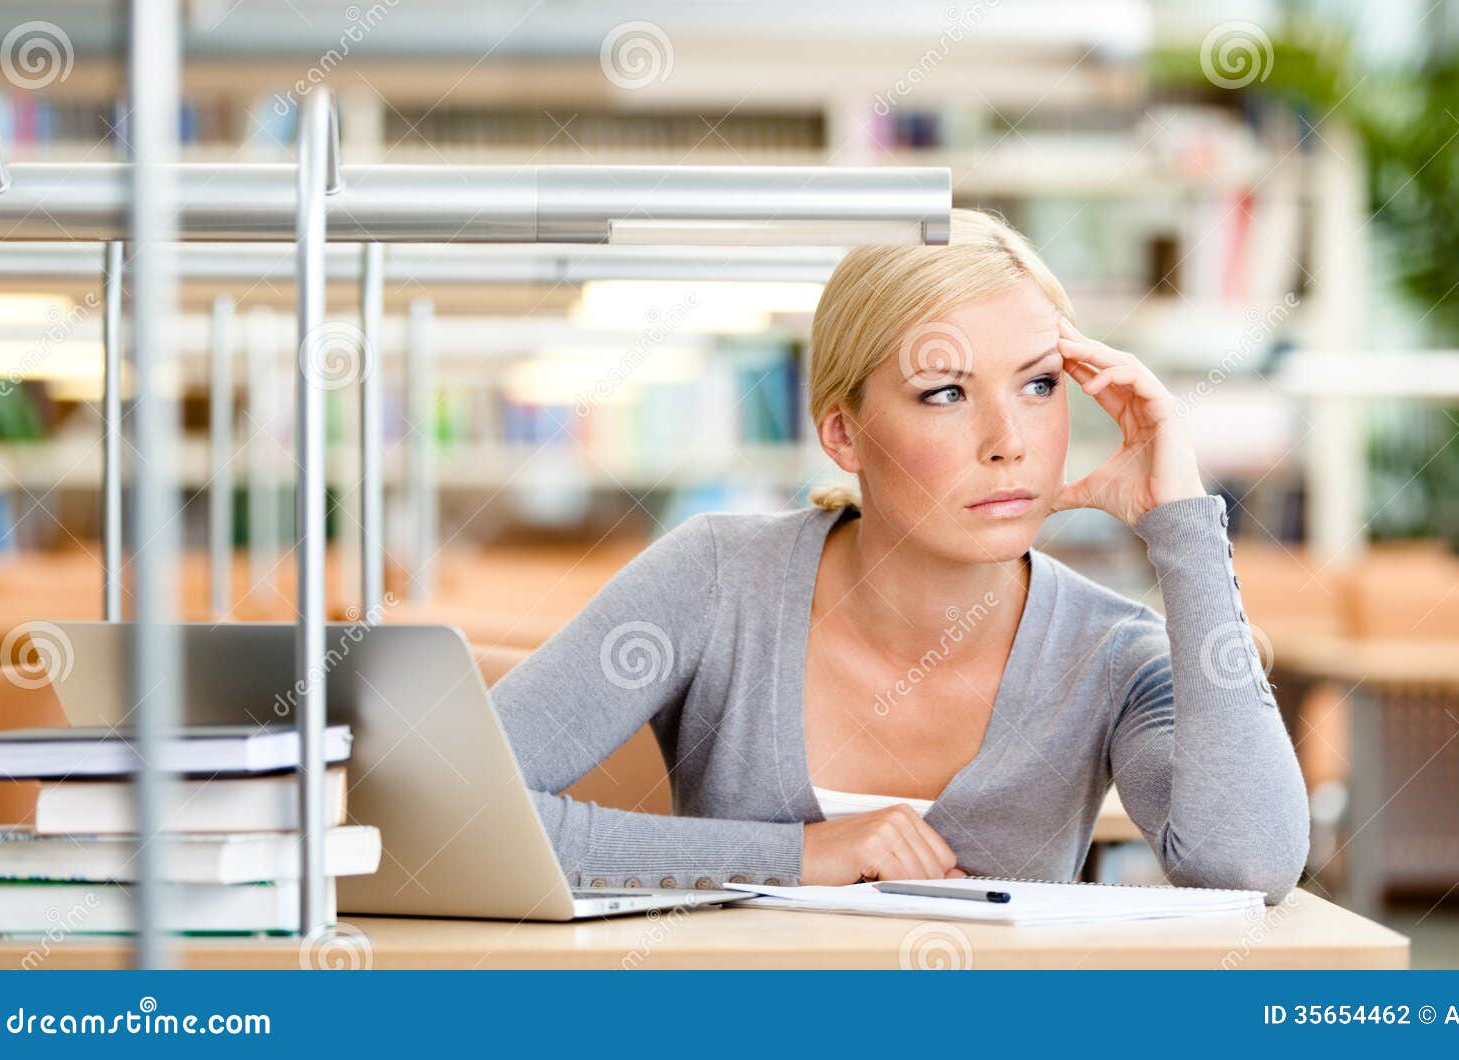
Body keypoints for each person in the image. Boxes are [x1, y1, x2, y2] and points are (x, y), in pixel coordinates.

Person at [490, 208, 1309, 902]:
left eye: (1039, 384)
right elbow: (458, 810)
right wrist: (798, 857)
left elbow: (1248, 866)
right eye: (945, 392)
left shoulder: (1113, 654)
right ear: (843, 433)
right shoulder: (716, 579)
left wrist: (1185, 529)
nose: (1009, 442)